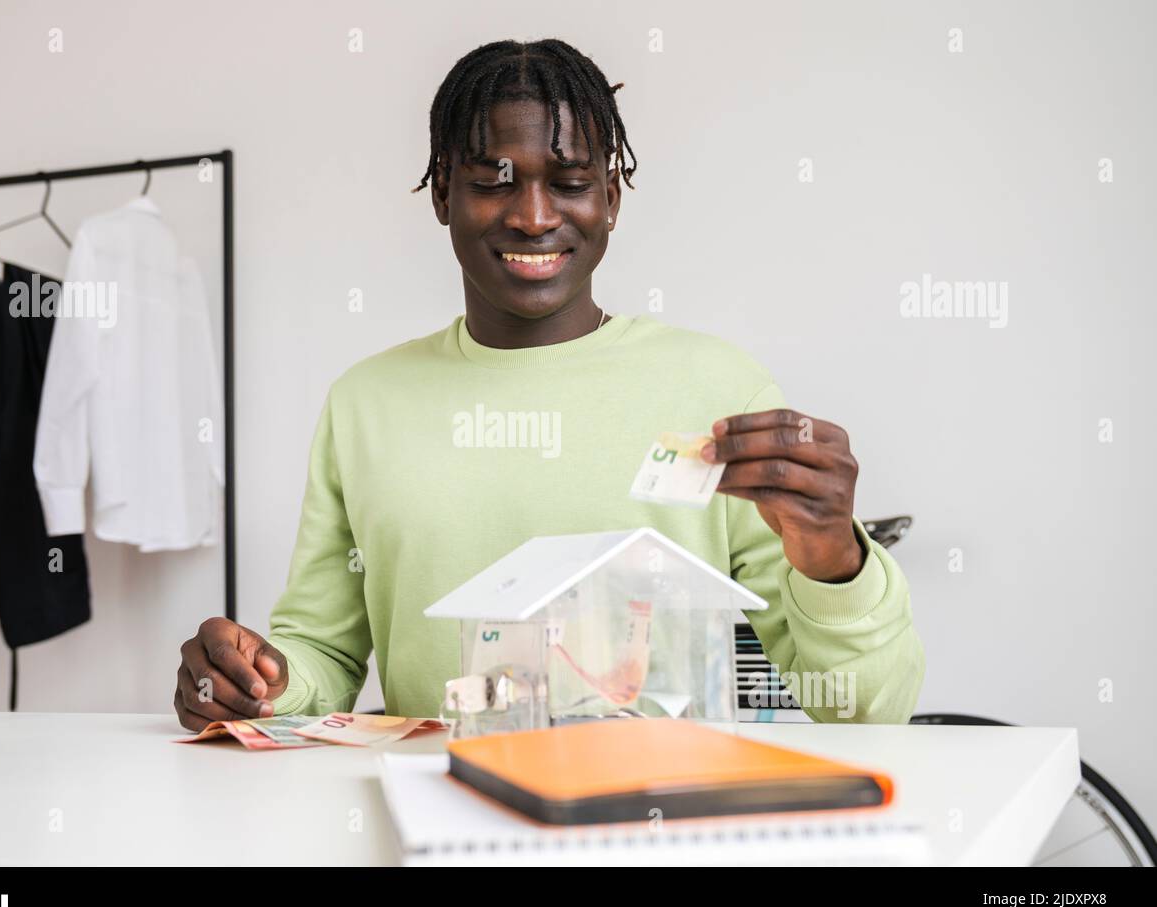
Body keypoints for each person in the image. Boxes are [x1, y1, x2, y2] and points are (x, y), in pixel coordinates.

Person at [174, 38, 924, 730]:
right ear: (442, 196)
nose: (534, 217)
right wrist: (255, 678)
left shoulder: (719, 387)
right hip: (445, 825)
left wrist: (836, 559)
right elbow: (324, 660)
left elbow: (867, 711)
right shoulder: (364, 403)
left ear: (611, 200)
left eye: (569, 183)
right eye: (492, 181)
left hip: (658, 828)